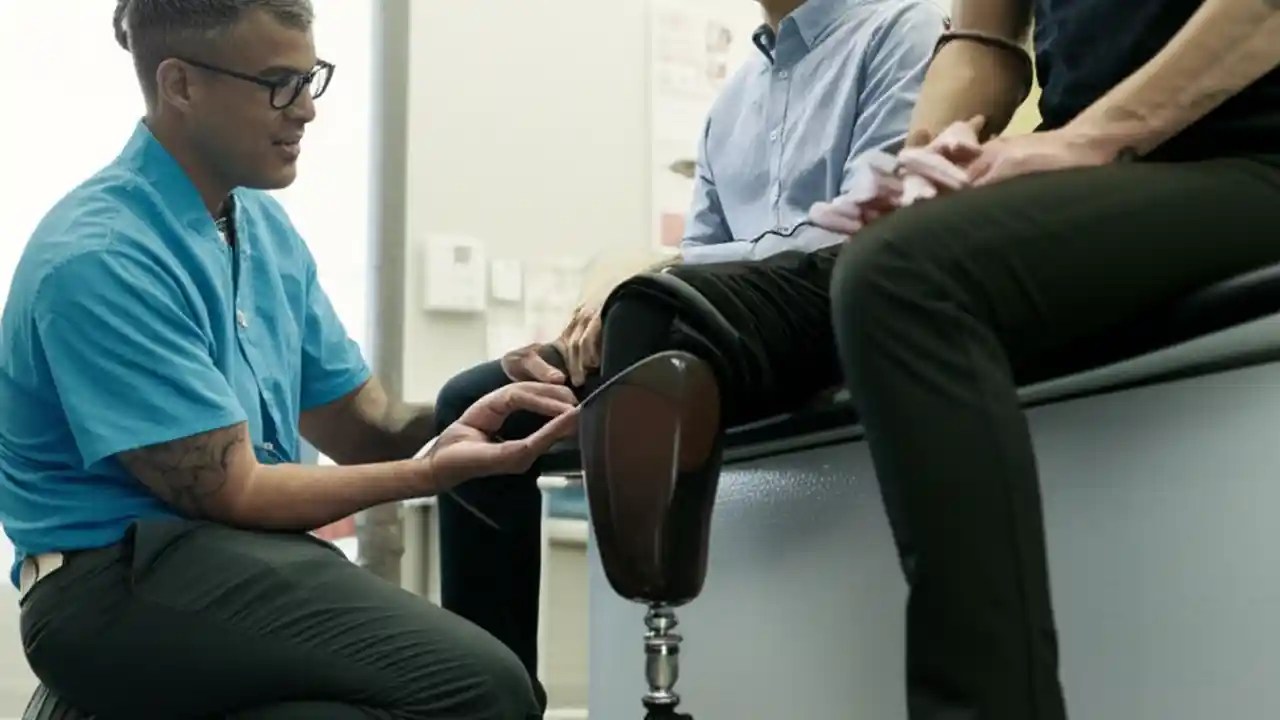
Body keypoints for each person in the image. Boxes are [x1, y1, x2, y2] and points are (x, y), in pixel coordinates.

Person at [579, 0, 1280, 718]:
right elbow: (985, 34)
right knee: (860, 266)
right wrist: (918, 172)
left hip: (1249, 155)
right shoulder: (733, 104)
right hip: (1112, 171)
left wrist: (1096, 138)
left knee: (902, 279)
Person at [0, 1, 578, 718]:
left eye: (311, 80)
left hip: (232, 559)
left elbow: (365, 424)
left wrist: (489, 396)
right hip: (112, 583)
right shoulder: (103, 256)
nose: (305, 110)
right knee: (483, 688)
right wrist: (427, 473)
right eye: (279, 83)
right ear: (180, 84)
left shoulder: (262, 228)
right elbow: (232, 491)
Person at [433, 0, 948, 685]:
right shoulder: (737, 96)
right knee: (481, 403)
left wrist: (651, 275)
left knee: (643, 313)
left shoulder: (904, 28)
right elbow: (698, 255)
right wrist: (628, 291)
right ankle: (488, 698)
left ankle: (654, 668)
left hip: (841, 304)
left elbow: (864, 228)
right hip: (719, 325)